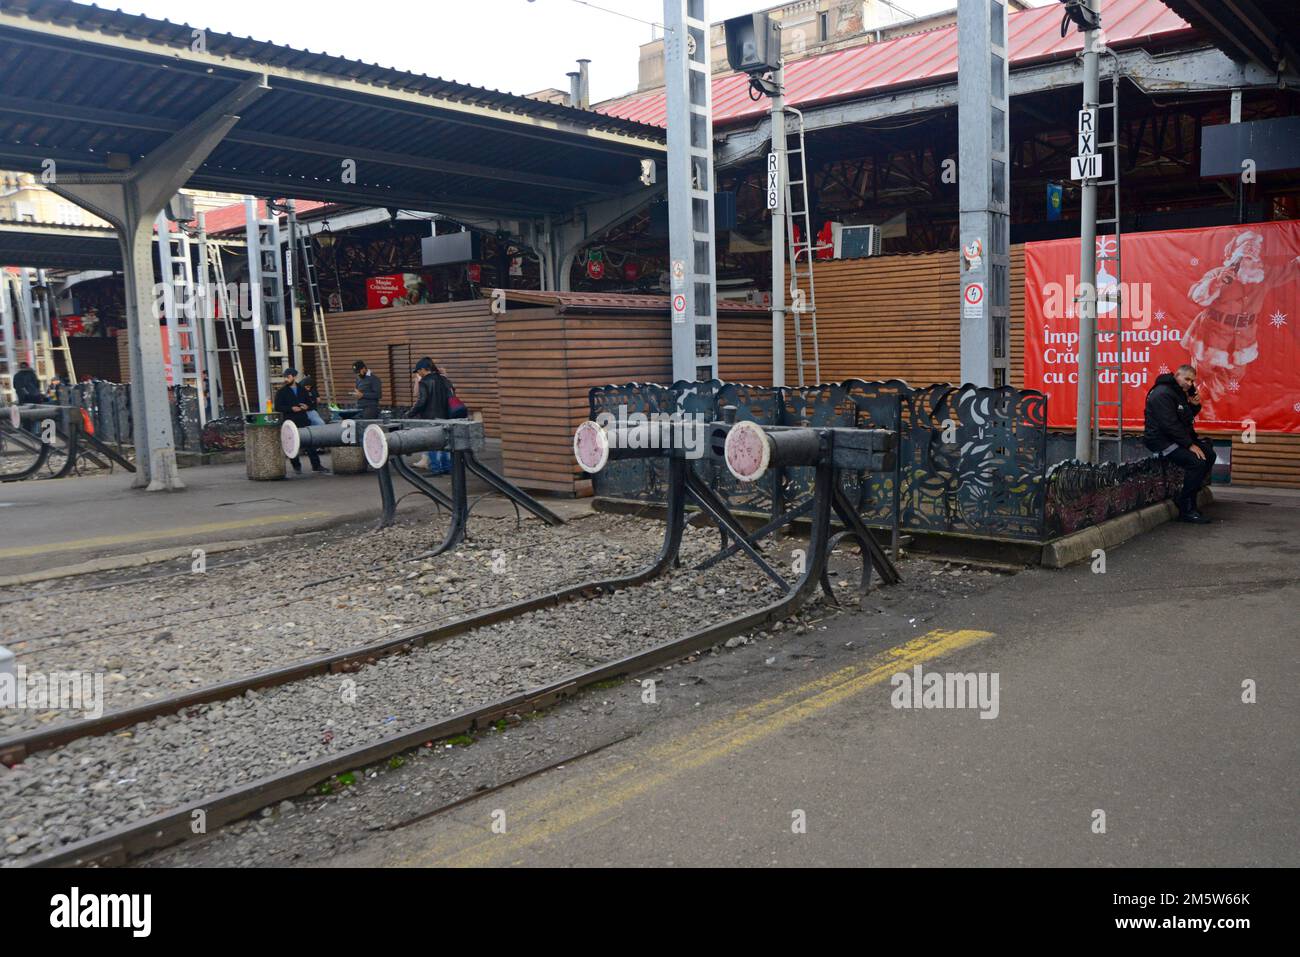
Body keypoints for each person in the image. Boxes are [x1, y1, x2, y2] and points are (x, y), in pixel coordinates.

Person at [1143, 364, 1215, 524]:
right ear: (1177, 375)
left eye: (1192, 381)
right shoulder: (1162, 393)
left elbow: (1184, 416)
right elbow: (1169, 424)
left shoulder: (1177, 392)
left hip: (1175, 438)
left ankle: (1187, 498)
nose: (1190, 383)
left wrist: (1194, 405)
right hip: (1161, 440)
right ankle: (1186, 507)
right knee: (1196, 462)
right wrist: (1190, 445)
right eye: (1187, 379)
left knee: (1209, 455)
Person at [274, 368, 328, 475]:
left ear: (294, 377)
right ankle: (296, 466)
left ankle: (316, 465)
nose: (286, 379)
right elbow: (278, 407)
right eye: (285, 377)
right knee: (292, 444)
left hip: (303, 419)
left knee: (310, 443)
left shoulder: (302, 390)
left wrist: (306, 406)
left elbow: (311, 404)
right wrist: (291, 408)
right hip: (290, 420)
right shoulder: (281, 392)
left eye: (288, 377)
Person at [408, 357, 452, 474]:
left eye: (418, 371)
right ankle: (448, 467)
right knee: (445, 442)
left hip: (430, 417)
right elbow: (451, 395)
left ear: (423, 369)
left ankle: (436, 468)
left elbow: (422, 401)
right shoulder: (444, 380)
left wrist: (410, 413)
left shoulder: (424, 382)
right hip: (446, 416)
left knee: (432, 442)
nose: (418, 374)